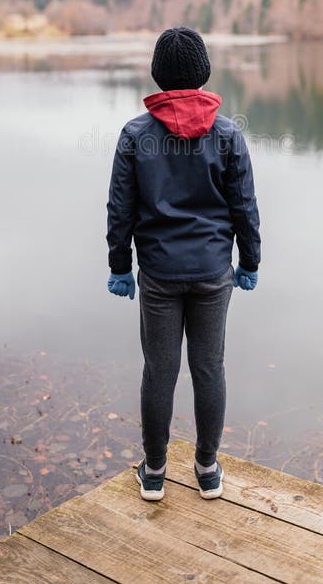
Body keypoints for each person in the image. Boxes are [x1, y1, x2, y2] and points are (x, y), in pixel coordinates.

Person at [106, 27, 261, 501]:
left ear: (157, 74)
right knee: (209, 368)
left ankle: (154, 472)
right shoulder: (227, 133)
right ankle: (207, 470)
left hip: (159, 275)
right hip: (213, 273)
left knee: (159, 371)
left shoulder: (136, 134)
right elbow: (245, 206)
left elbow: (120, 209)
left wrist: (119, 265)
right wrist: (250, 260)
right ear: (203, 72)